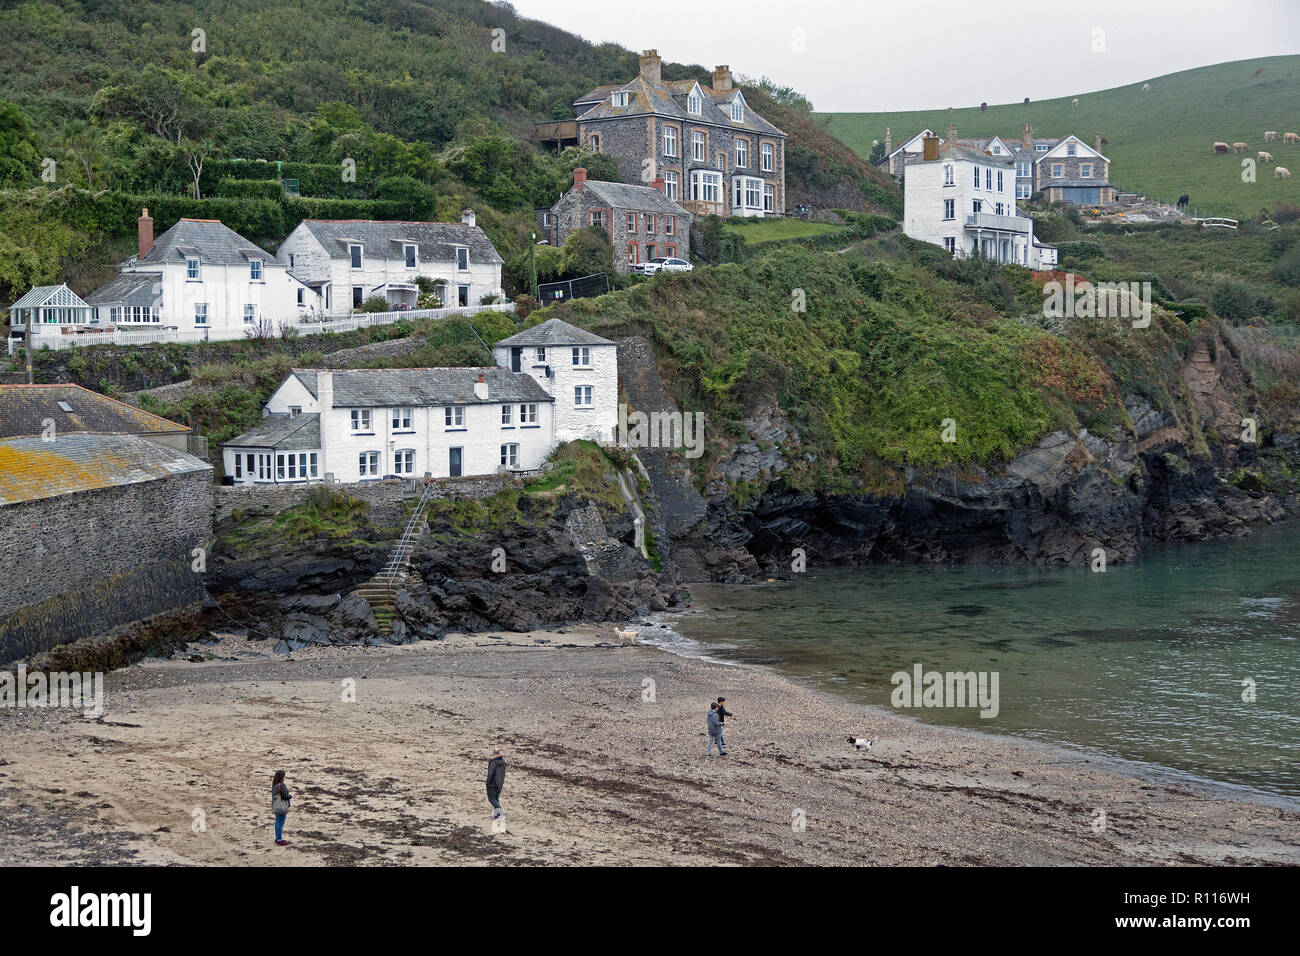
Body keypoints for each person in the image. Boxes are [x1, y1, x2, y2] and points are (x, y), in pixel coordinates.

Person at [271, 769, 291, 846]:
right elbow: (285, 796)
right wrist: (291, 796)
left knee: (277, 822)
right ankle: (279, 839)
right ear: (282, 777)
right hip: (281, 807)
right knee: (280, 823)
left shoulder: (274, 785)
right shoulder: (282, 786)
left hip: (276, 806)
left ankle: (277, 838)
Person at [486, 748, 506, 818]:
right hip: (500, 784)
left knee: (492, 799)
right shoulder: (503, 762)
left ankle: (501, 813)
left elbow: (490, 774)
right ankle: (496, 815)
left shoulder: (493, 762)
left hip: (492, 785)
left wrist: (488, 783)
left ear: (493, 754)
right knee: (496, 799)